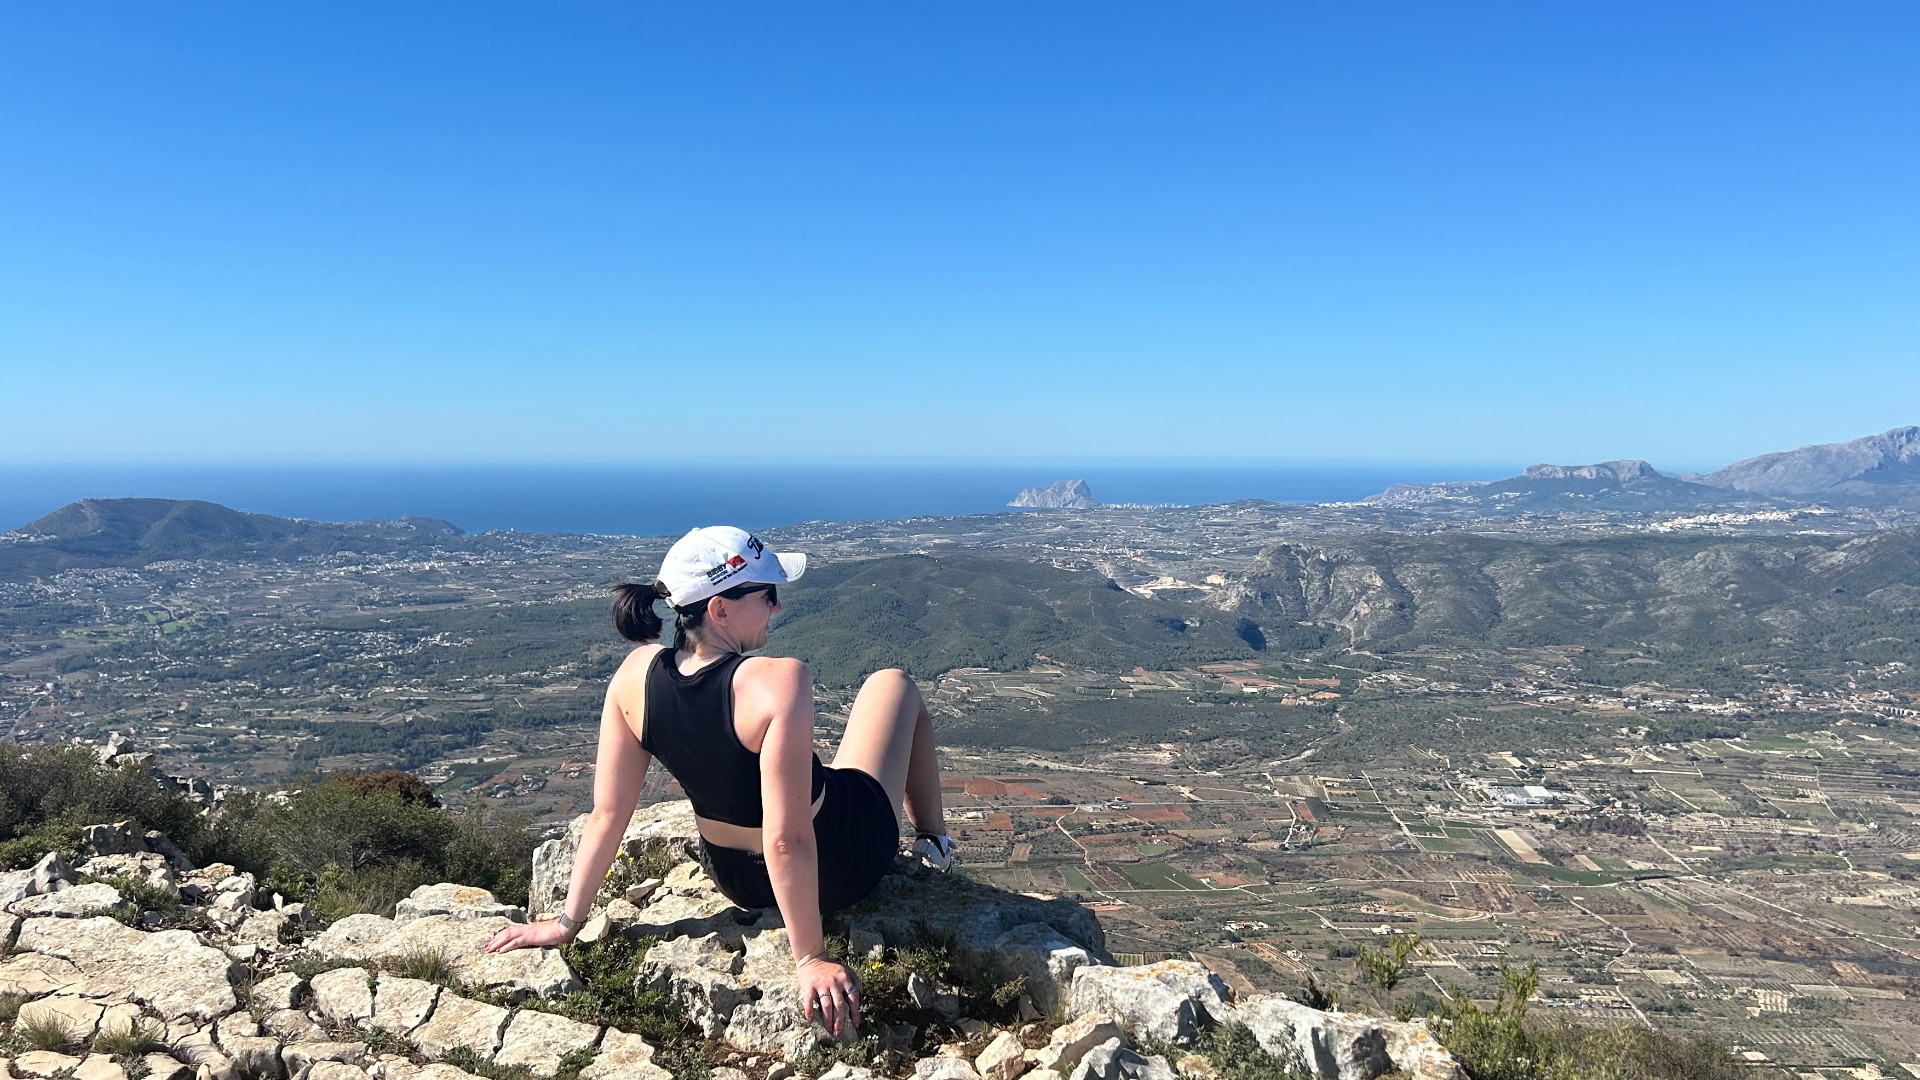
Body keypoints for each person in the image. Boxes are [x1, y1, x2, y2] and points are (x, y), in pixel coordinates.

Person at [482, 526, 954, 1037]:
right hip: (838, 862)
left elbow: (607, 814)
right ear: (719, 609)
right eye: (767, 593)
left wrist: (565, 923)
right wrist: (810, 957)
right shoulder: (780, 680)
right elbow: (786, 838)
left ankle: (926, 841)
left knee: (831, 767)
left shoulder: (634, 676)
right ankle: (934, 845)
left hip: (736, 879)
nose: (776, 606)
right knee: (892, 685)